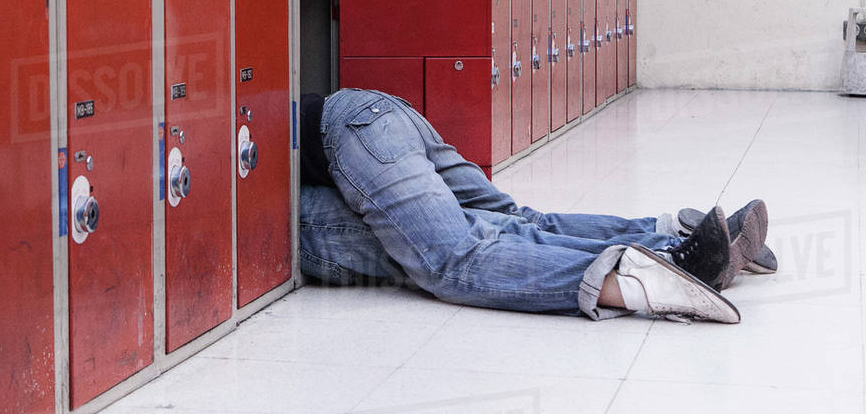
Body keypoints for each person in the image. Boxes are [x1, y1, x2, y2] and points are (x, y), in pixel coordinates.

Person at [298, 89, 770, 324]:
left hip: (352, 135)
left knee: (454, 258)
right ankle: (676, 239)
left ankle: (644, 280)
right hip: (376, 111)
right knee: (516, 221)